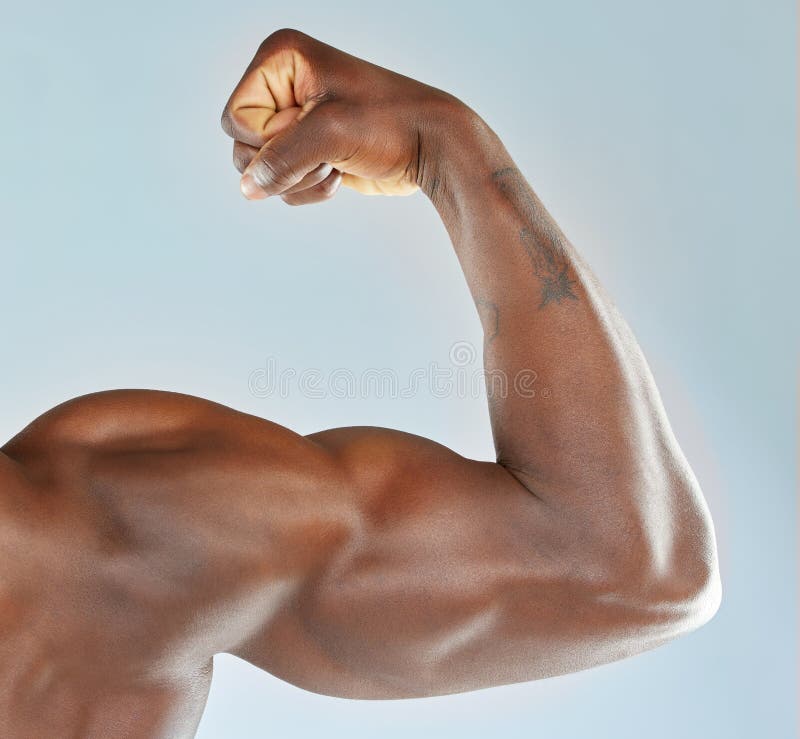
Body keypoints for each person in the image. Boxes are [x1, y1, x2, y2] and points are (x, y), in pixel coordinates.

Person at [0, 29, 721, 739]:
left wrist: (449, 145)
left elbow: (622, 563)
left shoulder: (102, 541)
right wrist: (447, 150)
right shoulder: (105, 544)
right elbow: (624, 563)